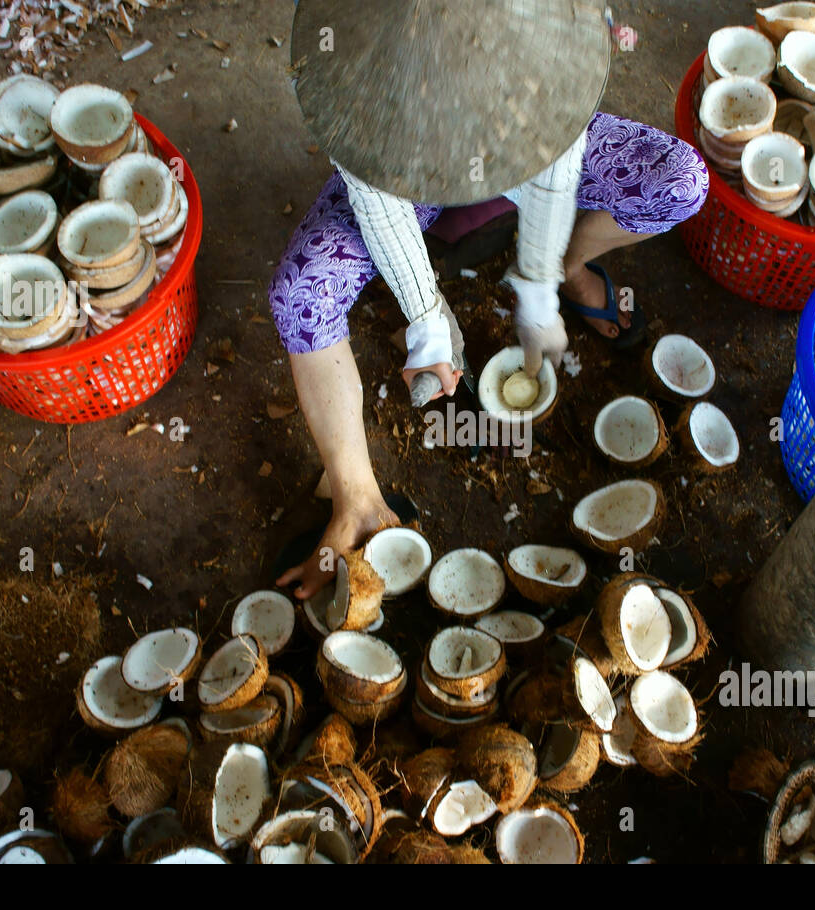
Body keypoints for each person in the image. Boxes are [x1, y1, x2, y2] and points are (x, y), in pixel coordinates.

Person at [271, 0, 708, 598]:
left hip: (524, 150)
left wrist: (539, 287)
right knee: (300, 296)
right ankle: (357, 501)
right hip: (404, 170)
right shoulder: (355, 56)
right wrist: (426, 319)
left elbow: (554, 165)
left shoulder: (542, 43)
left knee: (680, 180)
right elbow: (378, 201)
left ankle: (574, 260)